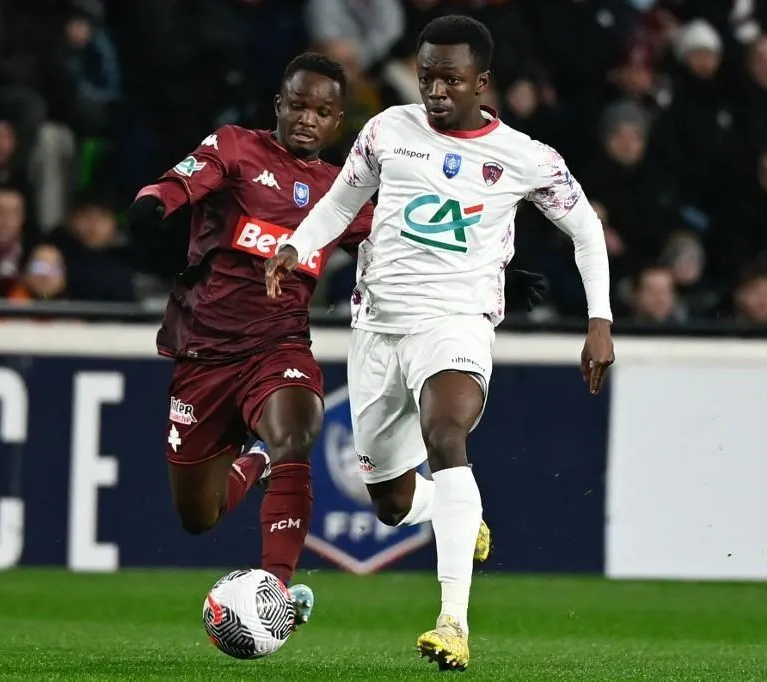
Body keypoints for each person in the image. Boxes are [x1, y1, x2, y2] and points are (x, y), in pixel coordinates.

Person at [128, 52, 545, 633]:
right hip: (204, 354)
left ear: (337, 123)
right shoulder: (235, 149)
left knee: (297, 432)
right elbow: (180, 181)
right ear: (279, 104)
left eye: (323, 112)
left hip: (279, 348)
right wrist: (155, 205)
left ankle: (276, 592)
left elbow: (414, 239)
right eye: (298, 105)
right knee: (201, 514)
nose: (307, 119)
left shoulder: (338, 190)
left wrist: (497, 271)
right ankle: (259, 460)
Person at [265, 17, 614, 670]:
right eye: (427, 76)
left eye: (451, 78)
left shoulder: (527, 157)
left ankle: (453, 622)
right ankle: (454, 512)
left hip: (456, 322)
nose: (436, 90)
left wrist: (601, 320)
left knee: (446, 432)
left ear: (482, 83)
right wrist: (296, 247)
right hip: (376, 329)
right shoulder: (387, 131)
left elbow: (586, 233)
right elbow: (342, 204)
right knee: (391, 502)